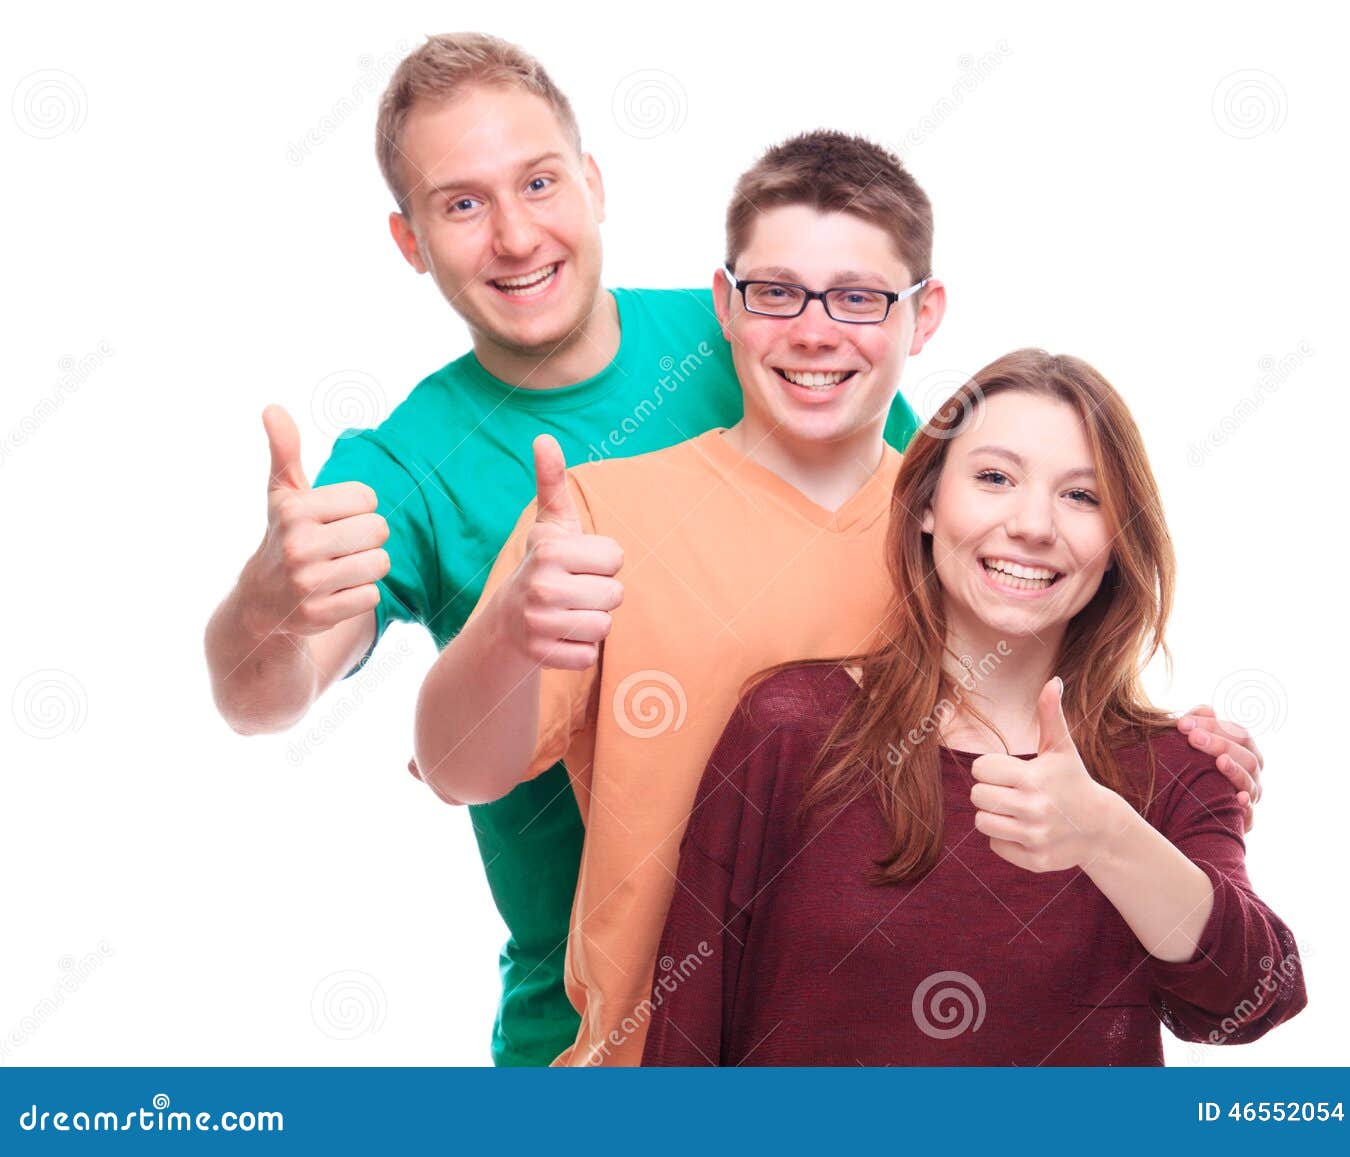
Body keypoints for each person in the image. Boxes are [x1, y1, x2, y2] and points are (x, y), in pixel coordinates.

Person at [414, 137, 1269, 1066]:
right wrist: (505, 631)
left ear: (924, 313)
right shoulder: (595, 520)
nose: (816, 331)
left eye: (859, 297)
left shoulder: (975, 538)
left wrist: (1181, 766)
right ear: (726, 305)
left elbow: (1073, 715)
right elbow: (458, 770)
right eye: (776, 291)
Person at [200, 31, 927, 1067]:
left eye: (538, 182)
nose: (513, 235)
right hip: (593, 1027)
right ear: (409, 241)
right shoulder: (404, 467)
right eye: (461, 204)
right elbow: (258, 698)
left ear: (591, 183)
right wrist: (265, 600)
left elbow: (960, 580)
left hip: (849, 1006)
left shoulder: (772, 335)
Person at [642, 350, 1307, 1065]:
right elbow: (687, 1026)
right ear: (927, 503)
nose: (1033, 525)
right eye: (995, 478)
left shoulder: (1176, 767)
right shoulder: (791, 724)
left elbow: (1253, 994)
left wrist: (1110, 837)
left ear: (1117, 543)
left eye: (1082, 496)